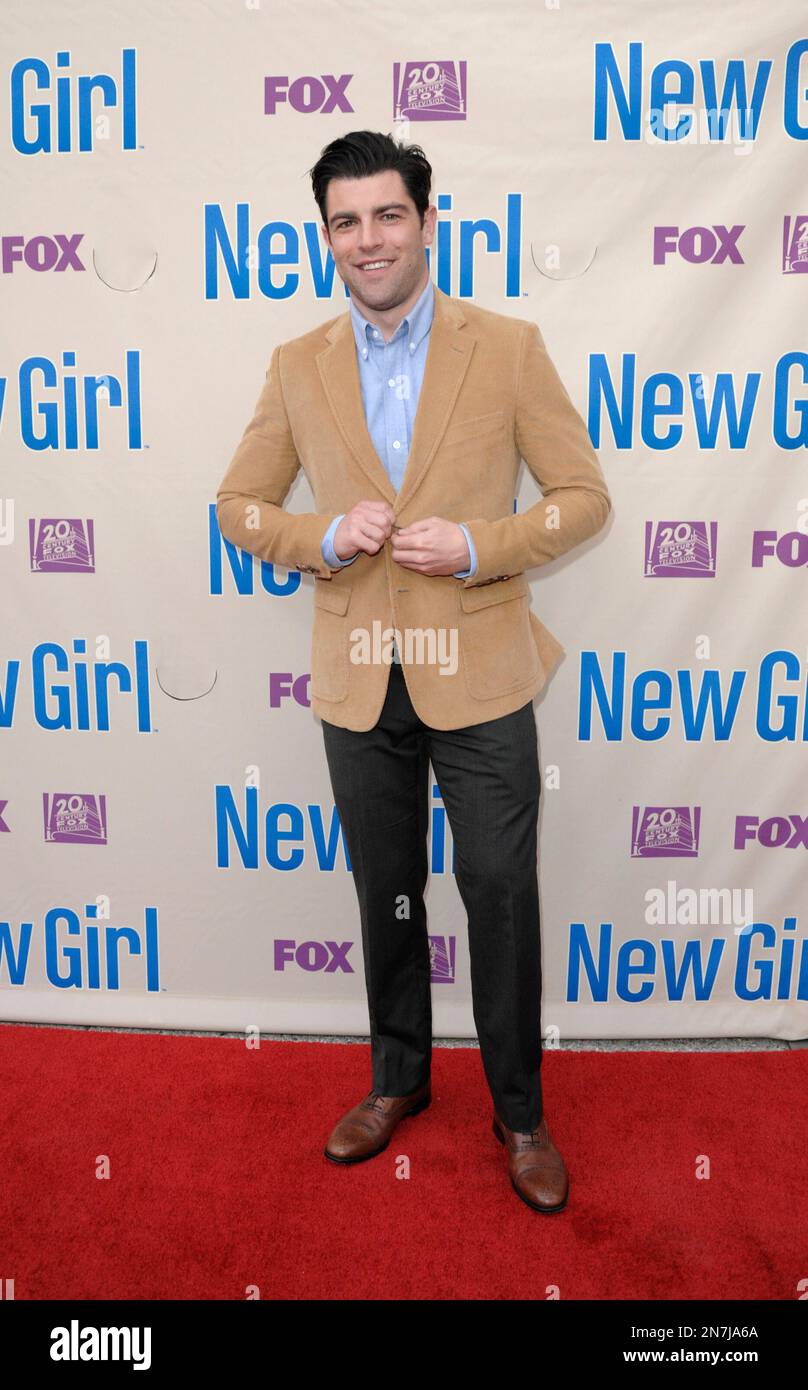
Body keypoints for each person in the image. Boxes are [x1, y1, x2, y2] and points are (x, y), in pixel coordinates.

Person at [216, 130, 612, 1213]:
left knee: (496, 892)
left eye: (387, 215)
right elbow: (238, 507)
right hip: (358, 679)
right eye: (345, 222)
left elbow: (583, 496)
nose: (368, 239)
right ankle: (397, 1081)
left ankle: (519, 1113)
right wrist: (325, 537)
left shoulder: (508, 345)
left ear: (427, 222)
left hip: (480, 672)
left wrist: (481, 545)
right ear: (326, 236)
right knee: (385, 893)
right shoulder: (299, 365)